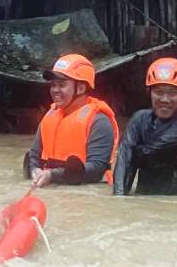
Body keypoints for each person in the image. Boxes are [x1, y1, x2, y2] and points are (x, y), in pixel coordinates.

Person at [112, 57, 177, 196]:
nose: (165, 99)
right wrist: (118, 197)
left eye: (172, 93)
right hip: (146, 199)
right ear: (149, 92)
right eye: (158, 92)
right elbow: (125, 158)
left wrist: (133, 152)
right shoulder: (139, 118)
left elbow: (149, 151)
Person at [27, 53, 119, 187]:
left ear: (81, 88)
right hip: (51, 184)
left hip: (87, 193)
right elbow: (34, 156)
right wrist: (34, 171)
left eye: (62, 85)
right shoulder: (49, 116)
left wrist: (52, 175)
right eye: (53, 85)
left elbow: (97, 169)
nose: (55, 90)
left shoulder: (99, 122)